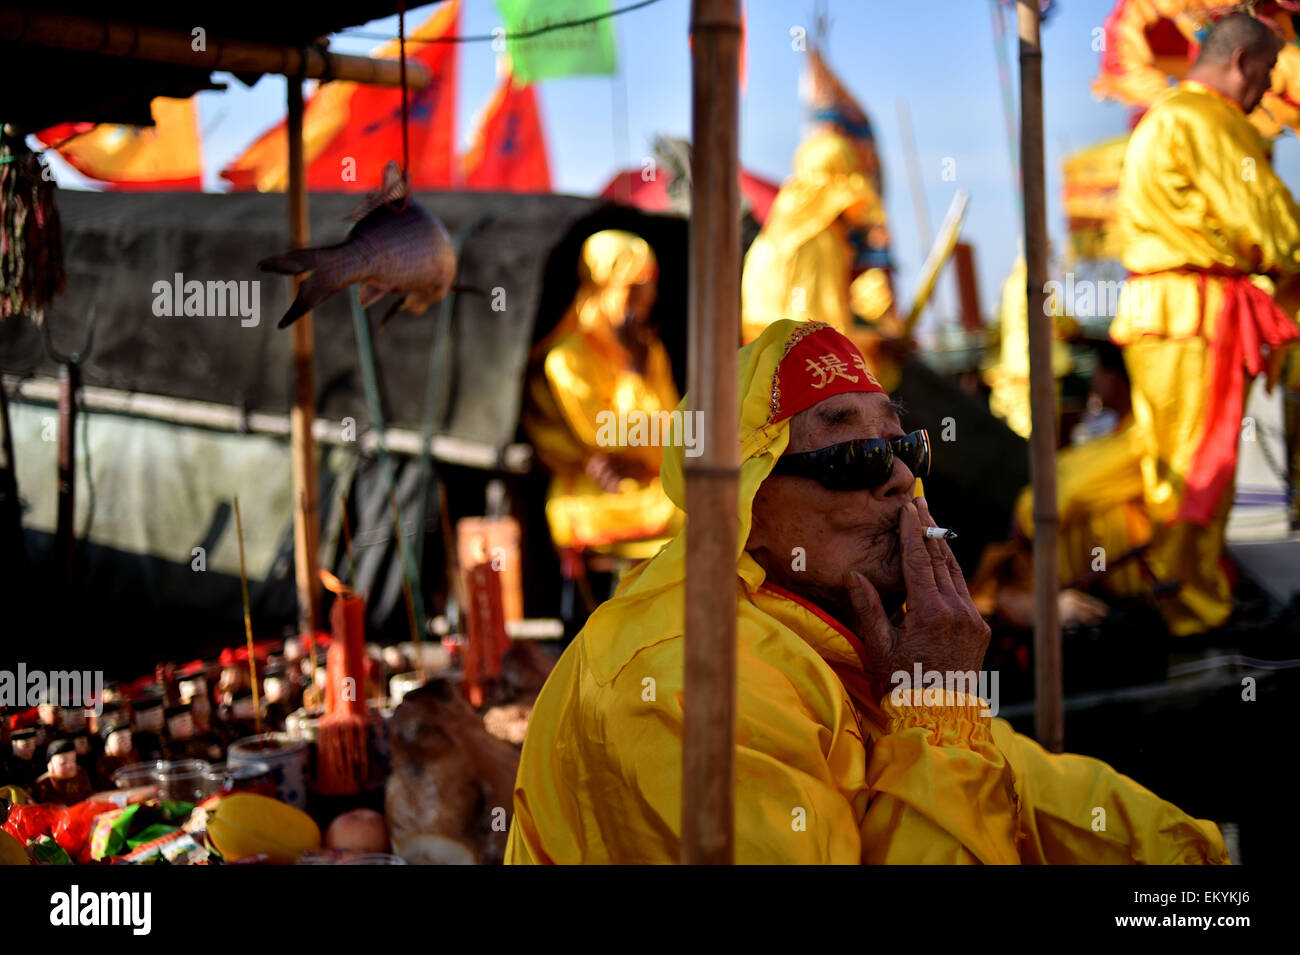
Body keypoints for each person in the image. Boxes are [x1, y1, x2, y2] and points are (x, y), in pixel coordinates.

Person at [506, 320, 1227, 864]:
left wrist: (1195, 861)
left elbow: (1025, 787)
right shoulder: (682, 674)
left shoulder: (824, 629)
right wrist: (939, 706)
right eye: (855, 455)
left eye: (905, 446)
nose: (902, 479)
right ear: (743, 498)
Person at [1112, 12, 1300, 635]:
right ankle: (1192, 610)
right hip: (1194, 314)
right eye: (1268, 72)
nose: (1268, 89)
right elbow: (1270, 225)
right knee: (1197, 466)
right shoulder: (1204, 116)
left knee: (1183, 459)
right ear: (1244, 61)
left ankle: (1194, 588)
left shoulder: (1171, 115)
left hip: (1175, 311)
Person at [523, 230, 682, 562]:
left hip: (650, 487)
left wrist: (640, 458)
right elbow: (612, 436)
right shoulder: (567, 358)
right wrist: (632, 374)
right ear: (603, 286)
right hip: (588, 499)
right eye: (634, 287)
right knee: (702, 514)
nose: (648, 297)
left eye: (650, 284)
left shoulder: (647, 350)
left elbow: (669, 435)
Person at [741, 130, 905, 387]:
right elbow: (820, 342)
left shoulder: (781, 231)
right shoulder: (818, 240)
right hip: (804, 390)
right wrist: (880, 343)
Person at [33, 738, 93, 805]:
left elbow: (88, 795)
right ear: (51, 764)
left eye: (73, 761)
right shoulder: (45, 782)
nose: (70, 765)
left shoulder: (81, 773)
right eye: (63, 763)